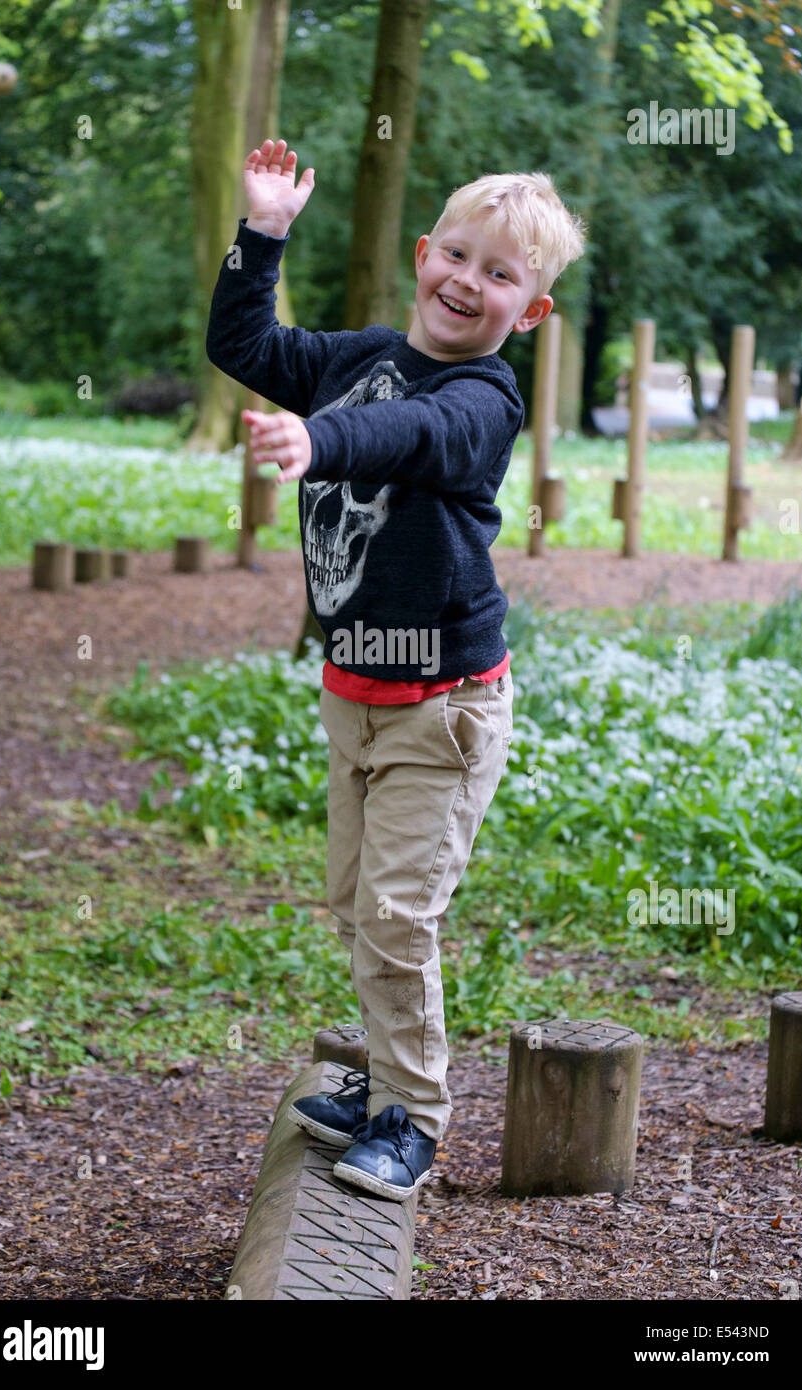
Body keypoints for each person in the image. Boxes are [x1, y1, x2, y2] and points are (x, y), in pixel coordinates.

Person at [206, 137, 586, 1202]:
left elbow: (412, 435)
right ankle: (381, 1080)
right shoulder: (353, 353)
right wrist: (263, 232)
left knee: (395, 916)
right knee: (351, 904)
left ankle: (412, 1119)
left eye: (501, 275)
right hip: (355, 697)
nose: (468, 281)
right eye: (457, 255)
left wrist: (319, 445)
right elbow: (239, 338)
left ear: (530, 312)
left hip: (445, 708)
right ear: (423, 253)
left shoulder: (483, 399)